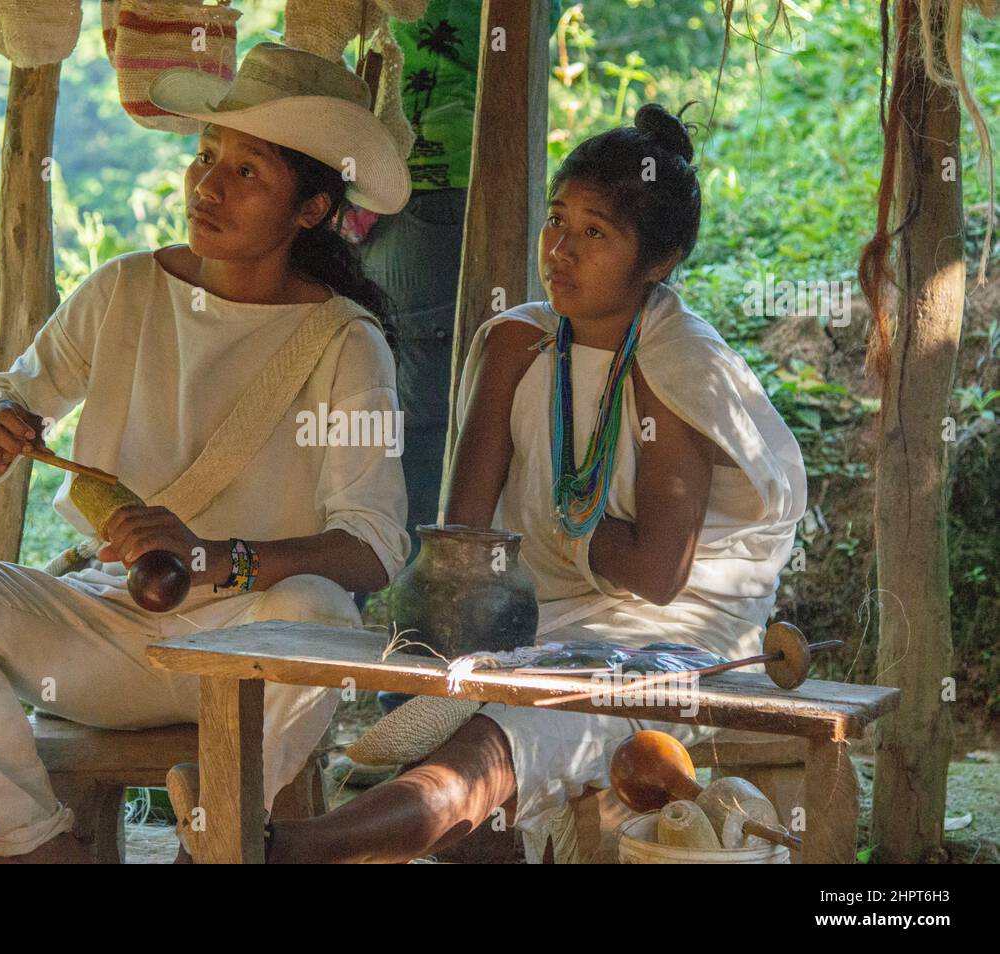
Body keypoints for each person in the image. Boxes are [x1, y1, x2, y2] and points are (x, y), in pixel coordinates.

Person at [0, 42, 412, 863]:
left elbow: (372, 549)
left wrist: (208, 561)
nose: (206, 186)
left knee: (320, 613)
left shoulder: (346, 344)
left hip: (247, 655)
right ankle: (33, 842)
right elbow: (7, 399)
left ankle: (218, 839)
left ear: (311, 208)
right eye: (205, 157)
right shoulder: (123, 290)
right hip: (106, 627)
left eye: (248, 172)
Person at [242, 103, 807, 863]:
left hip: (671, 639)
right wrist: (481, 645)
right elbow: (463, 547)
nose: (560, 250)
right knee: (459, 776)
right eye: (556, 221)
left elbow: (657, 575)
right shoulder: (519, 341)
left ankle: (282, 850)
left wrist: (557, 530)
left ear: (659, 260)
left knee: (501, 744)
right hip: (531, 621)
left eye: (595, 232)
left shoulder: (677, 371)